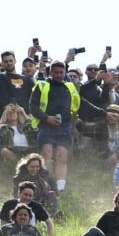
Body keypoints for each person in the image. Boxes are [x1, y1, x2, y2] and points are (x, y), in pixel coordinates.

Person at [29, 61, 80, 192]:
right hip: (46, 126)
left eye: (61, 73)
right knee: (46, 154)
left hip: (64, 126)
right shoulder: (41, 85)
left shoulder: (70, 87)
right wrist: (47, 118)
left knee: (62, 156)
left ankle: (60, 189)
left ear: (64, 73)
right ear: (50, 72)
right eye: (55, 72)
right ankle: (43, 185)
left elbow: (78, 105)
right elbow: (33, 106)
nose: (58, 75)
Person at [12, 153, 60, 218]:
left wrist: (56, 194)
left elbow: (53, 184)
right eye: (32, 167)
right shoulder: (19, 178)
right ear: (27, 166)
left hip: (42, 199)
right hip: (26, 201)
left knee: (51, 194)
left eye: (37, 167)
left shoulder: (44, 174)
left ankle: (54, 214)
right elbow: (16, 194)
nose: (35, 169)